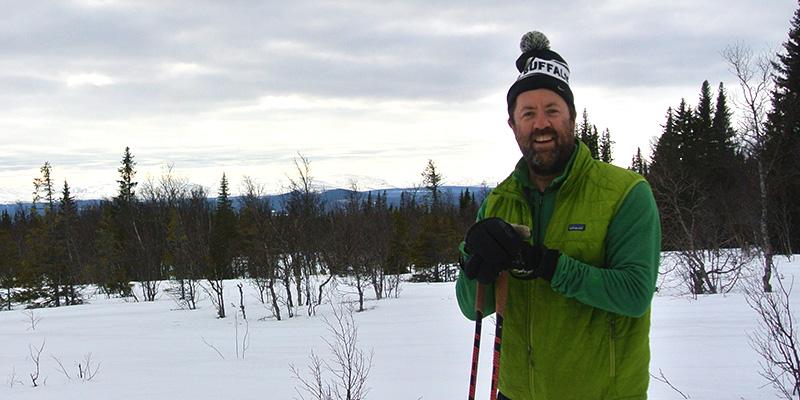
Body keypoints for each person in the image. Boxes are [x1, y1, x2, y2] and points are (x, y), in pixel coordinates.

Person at [456, 31, 661, 400]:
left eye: (552, 110)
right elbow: (470, 308)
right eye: (528, 113)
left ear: (571, 116)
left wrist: (549, 266)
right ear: (513, 124)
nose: (541, 124)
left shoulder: (626, 194)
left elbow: (634, 295)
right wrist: (475, 259)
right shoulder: (499, 202)